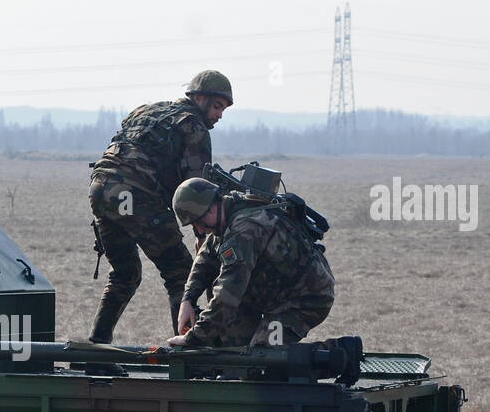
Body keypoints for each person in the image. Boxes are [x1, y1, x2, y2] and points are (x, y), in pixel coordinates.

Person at [87, 71, 233, 351]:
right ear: (199, 99)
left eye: (223, 110)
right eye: (217, 107)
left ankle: (96, 350)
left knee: (125, 274)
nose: (219, 116)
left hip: (101, 189)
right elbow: (196, 190)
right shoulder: (193, 127)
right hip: (137, 196)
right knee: (180, 274)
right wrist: (205, 236)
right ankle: (187, 353)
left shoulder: (147, 110)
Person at [166, 178, 335, 348]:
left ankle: (336, 354)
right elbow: (206, 257)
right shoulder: (229, 209)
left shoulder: (245, 229)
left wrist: (195, 337)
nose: (200, 230)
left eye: (199, 222)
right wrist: (188, 299)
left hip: (306, 299)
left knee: (263, 355)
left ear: (211, 208)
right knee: (233, 345)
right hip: (274, 293)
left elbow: (228, 293)